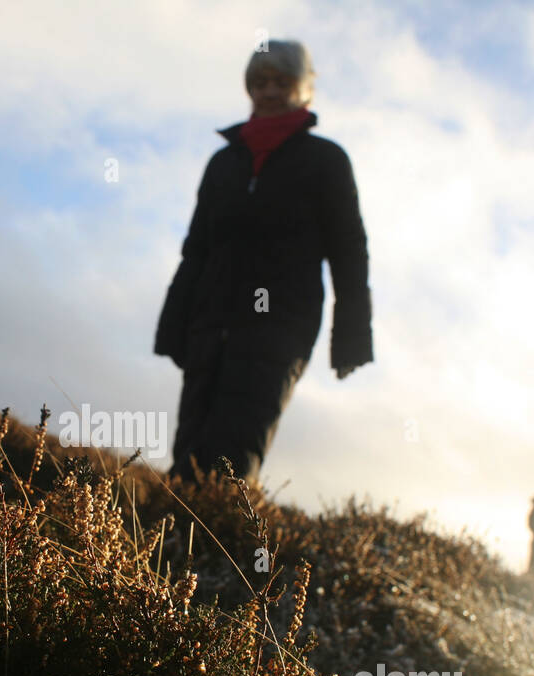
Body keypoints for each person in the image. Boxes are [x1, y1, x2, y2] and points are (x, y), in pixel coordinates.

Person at [154, 40, 372, 488]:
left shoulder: (326, 161)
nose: (269, 91)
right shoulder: (223, 162)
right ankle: (170, 548)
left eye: (282, 81)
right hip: (210, 321)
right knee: (189, 448)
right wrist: (173, 325)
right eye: (260, 82)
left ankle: (218, 548)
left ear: (304, 89)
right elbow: (196, 249)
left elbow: (349, 251)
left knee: (234, 451)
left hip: (280, 326)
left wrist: (351, 336)